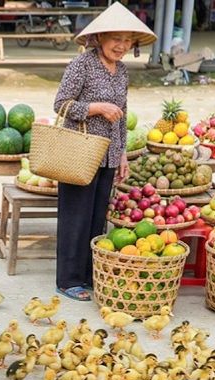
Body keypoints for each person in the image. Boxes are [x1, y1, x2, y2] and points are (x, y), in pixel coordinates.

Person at [51, 2, 155, 301]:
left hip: (109, 155)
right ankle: (68, 280)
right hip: (80, 152)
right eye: (116, 39)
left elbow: (122, 113)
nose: (121, 46)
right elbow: (61, 105)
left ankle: (88, 275)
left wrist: (121, 153)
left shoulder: (122, 71)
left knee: (97, 218)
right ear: (100, 37)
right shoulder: (82, 65)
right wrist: (96, 108)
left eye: (127, 40)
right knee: (76, 216)